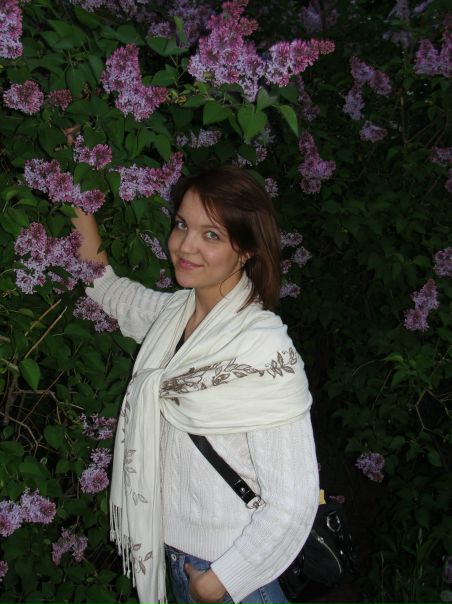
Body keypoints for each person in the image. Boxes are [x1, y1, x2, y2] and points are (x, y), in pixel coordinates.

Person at [72, 165, 319, 604]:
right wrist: (70, 169)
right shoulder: (172, 317)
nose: (185, 246)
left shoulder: (263, 351)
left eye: (211, 235)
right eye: (182, 225)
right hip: (179, 562)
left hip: (234, 578)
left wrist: (220, 581)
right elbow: (102, 283)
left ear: (245, 250)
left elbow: (293, 503)